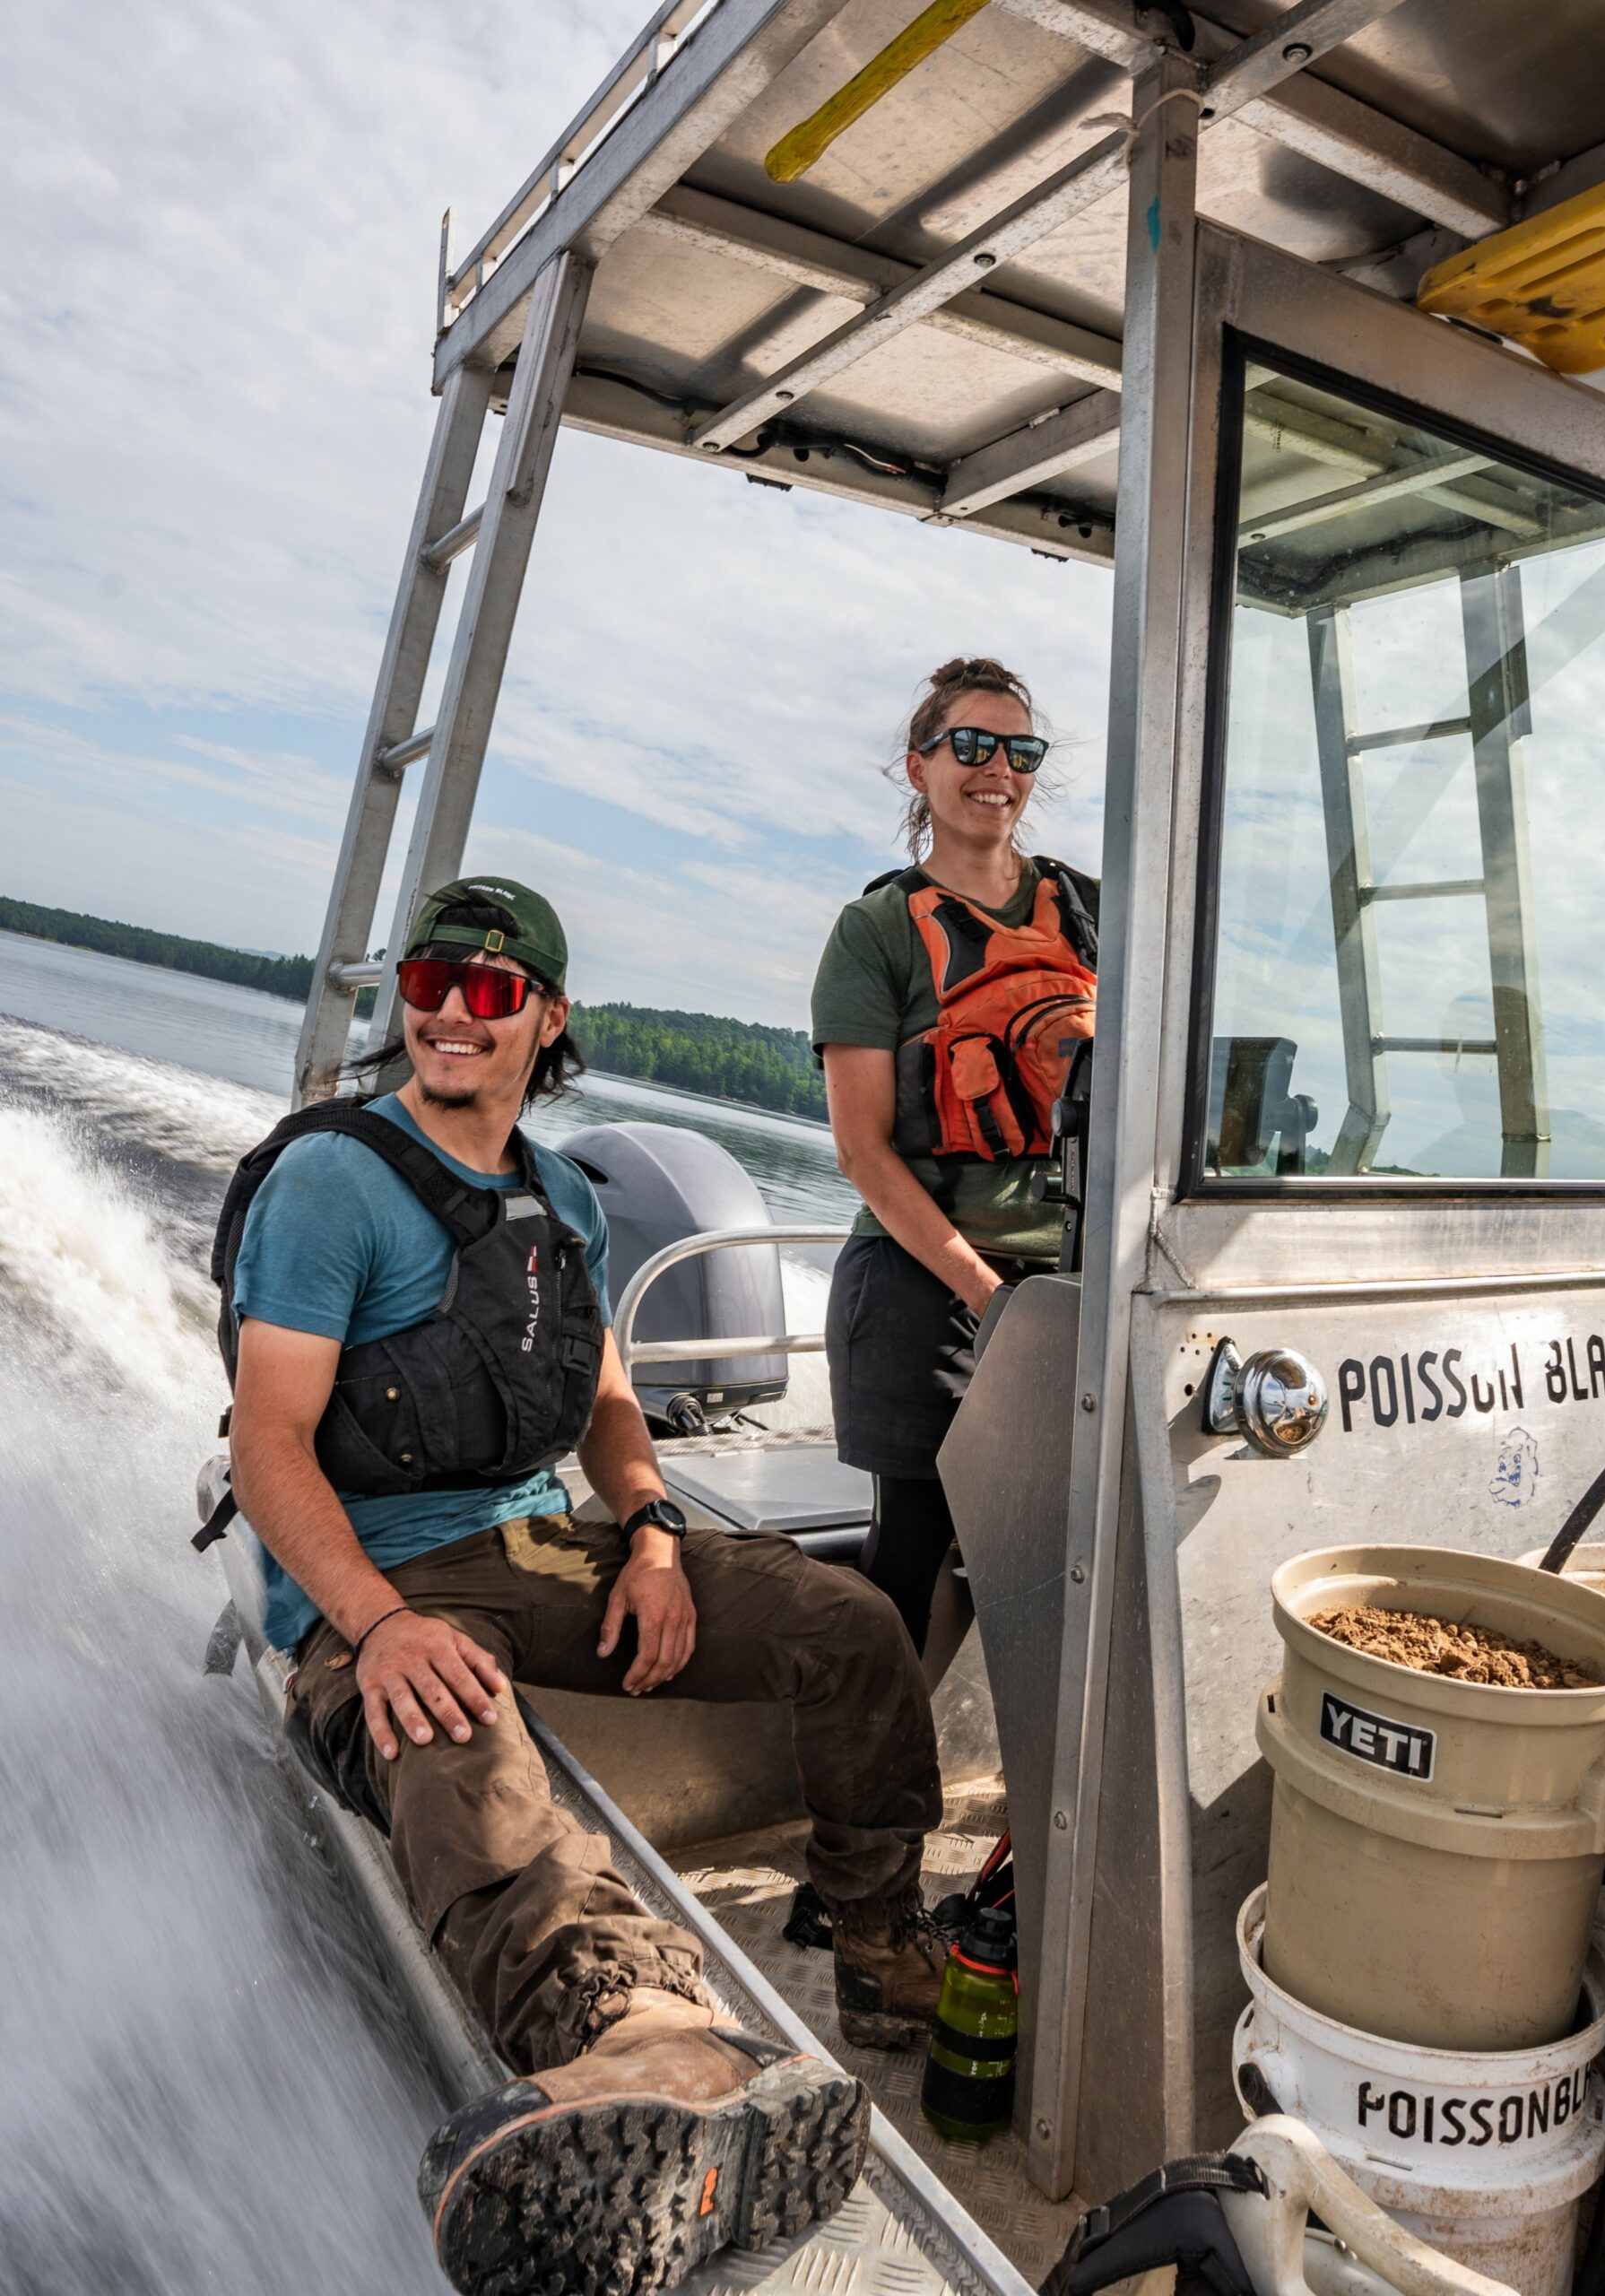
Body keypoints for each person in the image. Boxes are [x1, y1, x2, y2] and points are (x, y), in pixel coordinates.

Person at [219, 875, 948, 2296]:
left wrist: (660, 1539)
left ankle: (871, 1930)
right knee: (451, 1727)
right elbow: (266, 1445)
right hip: (375, 1571)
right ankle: (634, 2039)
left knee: (851, 1625)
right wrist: (375, 1624)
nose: (449, 1011)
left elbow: (611, 1403)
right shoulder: (330, 1184)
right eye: (431, 982)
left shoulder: (560, 1197)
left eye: (492, 993)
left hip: (541, 1539)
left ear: (546, 1022)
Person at [813, 659, 1098, 1653]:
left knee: (1063, 1548)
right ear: (918, 768)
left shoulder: (1094, 914)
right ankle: (873, 1798)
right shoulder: (876, 931)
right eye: (970, 746)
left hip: (1066, 1285)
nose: (998, 770)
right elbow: (863, 1152)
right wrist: (990, 1294)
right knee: (916, 1553)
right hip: (923, 1287)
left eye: (1020, 752)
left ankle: (1041, 1799)